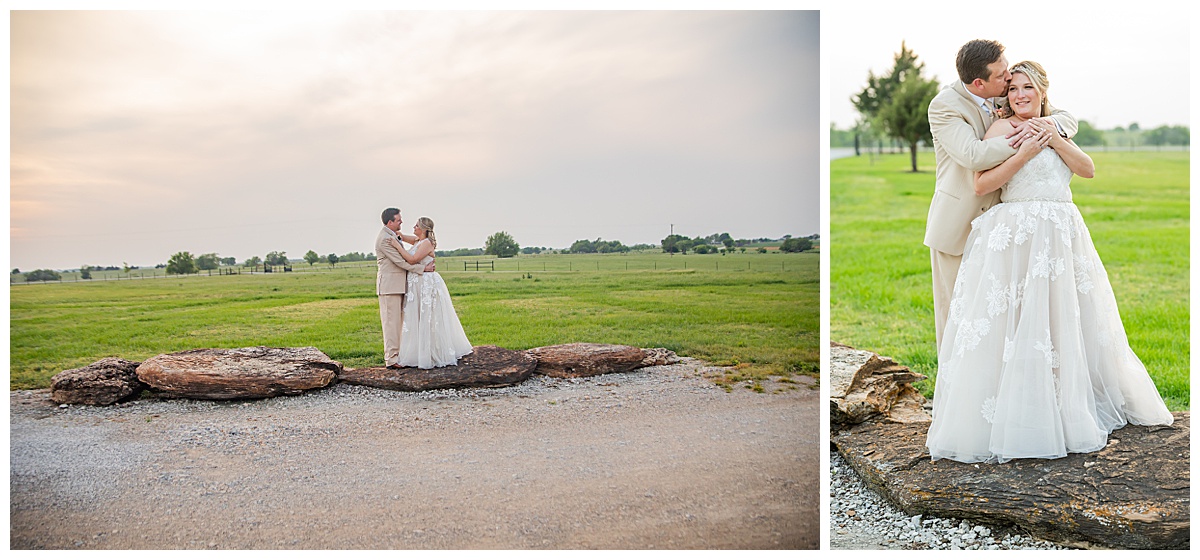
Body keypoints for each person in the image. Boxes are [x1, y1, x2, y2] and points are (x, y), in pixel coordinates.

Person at [924, 61, 1174, 464]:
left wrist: (1053, 137)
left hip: (1060, 233)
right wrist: (1026, 151)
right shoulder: (1002, 128)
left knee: (1063, 320)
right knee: (1017, 321)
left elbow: (1087, 169)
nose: (1019, 95)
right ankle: (1015, 410)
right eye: (1013, 89)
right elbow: (982, 183)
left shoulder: (1058, 125)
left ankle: (1064, 403)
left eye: (1027, 88)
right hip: (1018, 232)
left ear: (1042, 91)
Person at [924, 39, 1078, 350]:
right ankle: (956, 395)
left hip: (1003, 230)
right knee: (958, 316)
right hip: (959, 224)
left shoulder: (1002, 98)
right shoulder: (944, 107)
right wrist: (1024, 137)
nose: (1009, 79)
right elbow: (973, 155)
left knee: (1000, 316)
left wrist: (1047, 125)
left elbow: (1065, 117)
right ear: (978, 82)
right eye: (1002, 75)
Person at [388, 216, 473, 369]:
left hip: (425, 284)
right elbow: (406, 238)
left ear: (423, 229)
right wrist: (397, 236)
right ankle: (418, 352)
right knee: (417, 317)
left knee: (428, 316)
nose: (413, 227)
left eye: (416, 226)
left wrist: (396, 245)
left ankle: (432, 352)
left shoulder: (427, 243)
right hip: (417, 284)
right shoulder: (418, 241)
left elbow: (412, 260)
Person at [376, 208, 436, 369]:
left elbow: (415, 243)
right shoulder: (385, 239)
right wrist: (422, 269)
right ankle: (391, 359)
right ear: (390, 222)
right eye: (398, 220)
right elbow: (401, 262)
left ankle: (399, 356)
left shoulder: (393, 236)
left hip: (400, 285)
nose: (402, 222)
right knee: (391, 324)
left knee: (400, 323)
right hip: (390, 287)